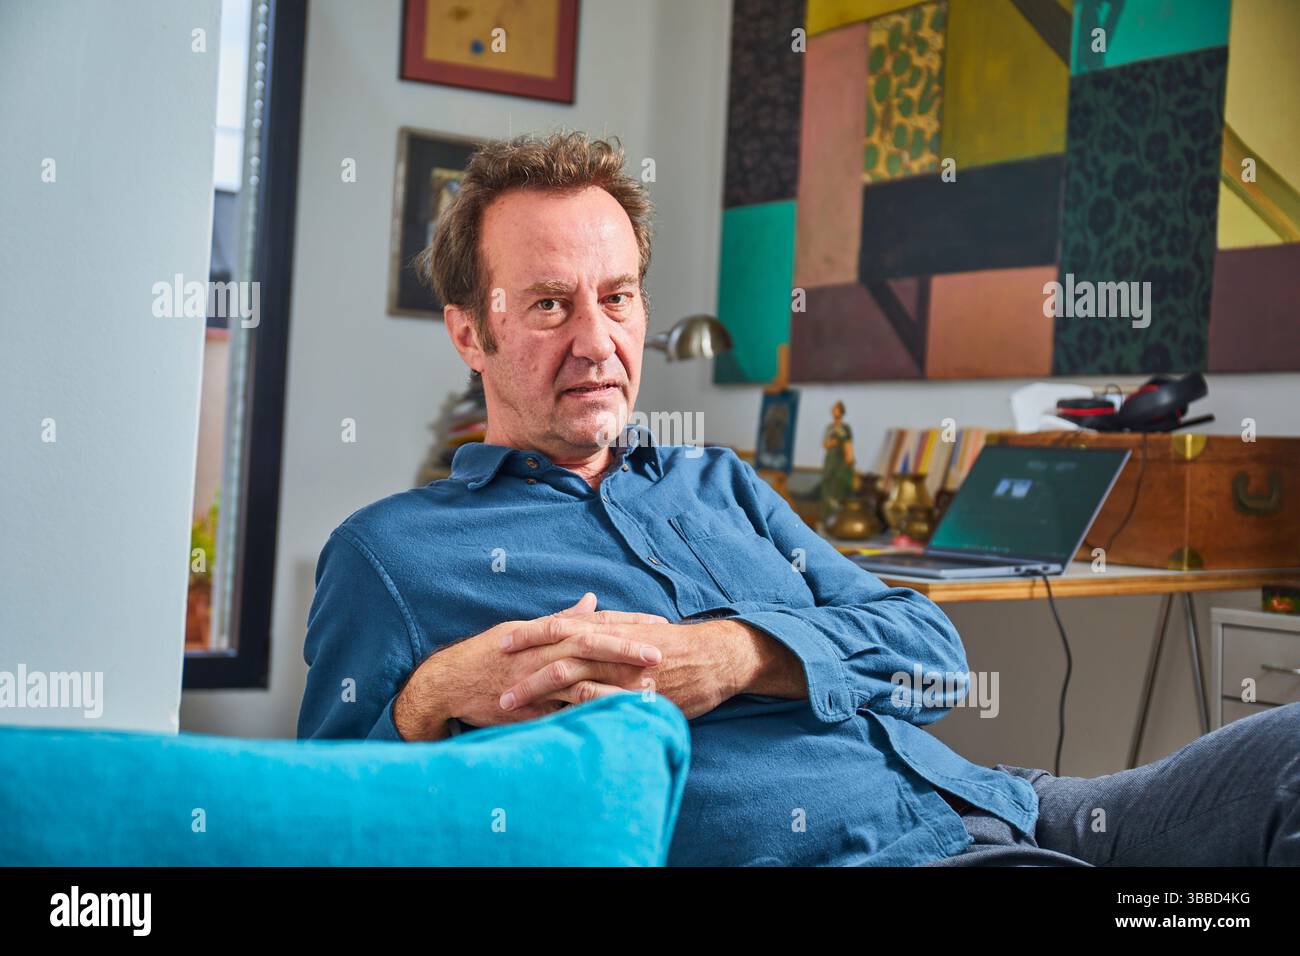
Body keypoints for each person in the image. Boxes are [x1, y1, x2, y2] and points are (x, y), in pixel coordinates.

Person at [297, 130, 1300, 866]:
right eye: (550, 304)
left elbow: (934, 659)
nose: (598, 342)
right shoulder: (394, 554)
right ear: (468, 331)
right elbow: (321, 827)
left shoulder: (718, 483)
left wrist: (737, 654)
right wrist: (425, 701)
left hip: (1023, 810)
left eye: (620, 296)